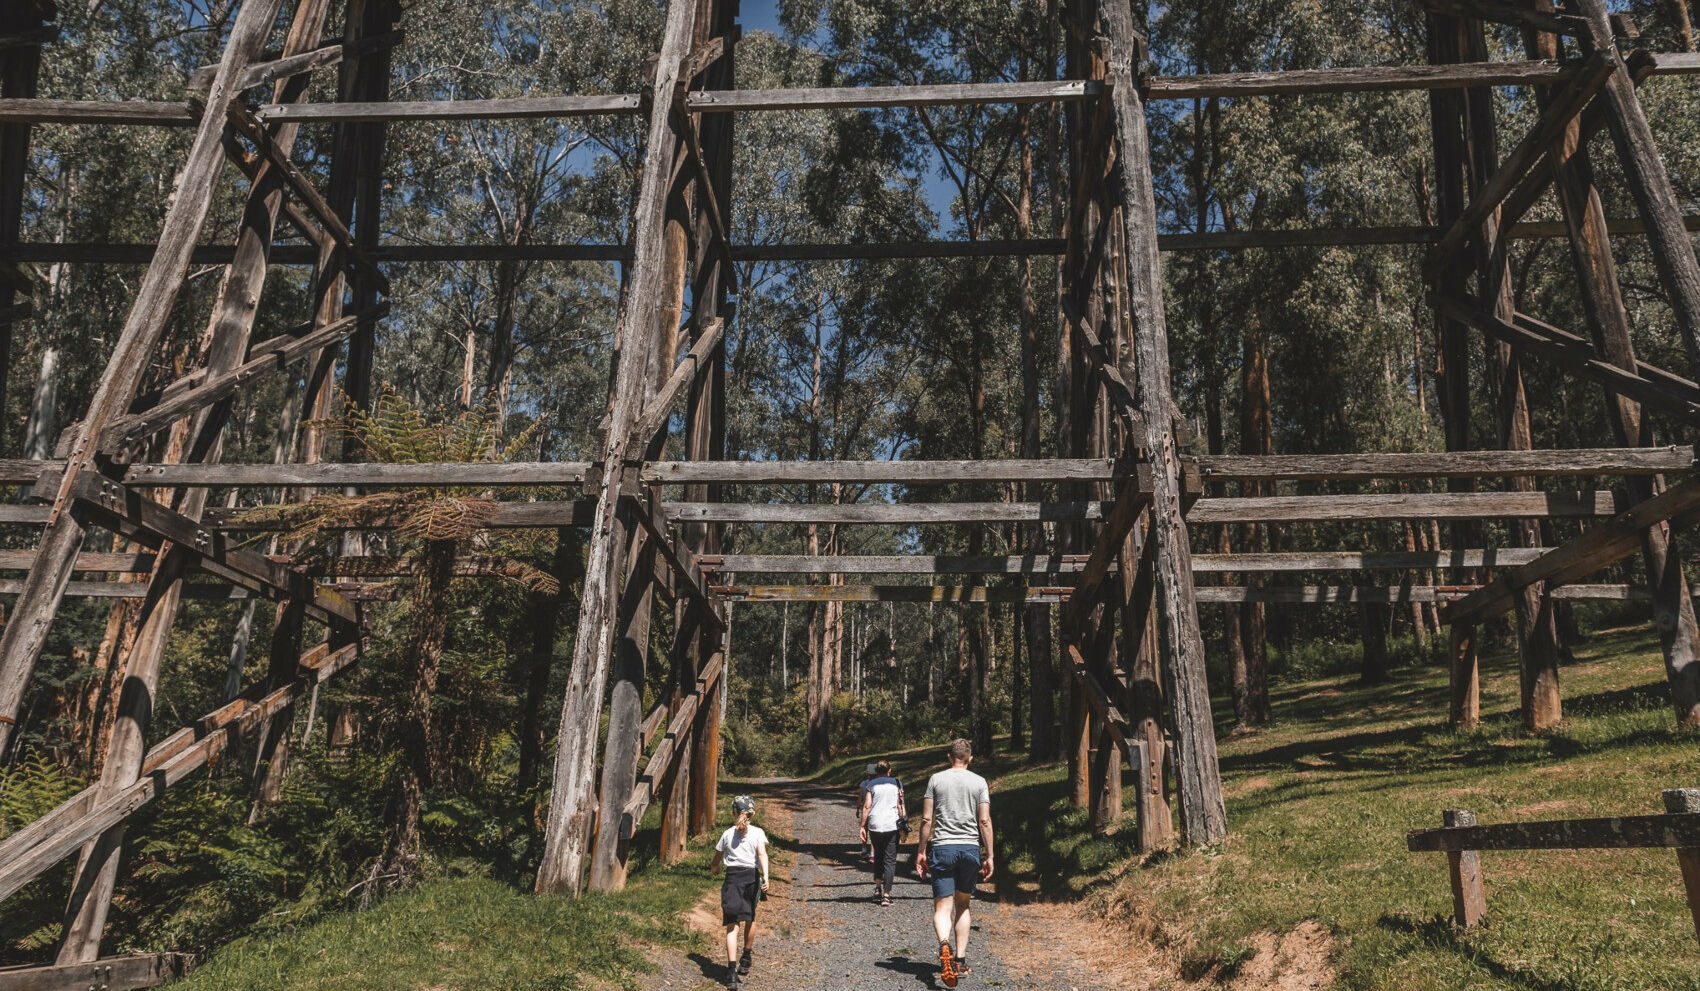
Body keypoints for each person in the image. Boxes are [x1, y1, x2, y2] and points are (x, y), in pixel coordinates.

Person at [915, 739, 993, 989]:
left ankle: (943, 944)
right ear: (970, 759)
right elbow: (984, 821)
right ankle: (959, 960)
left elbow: (926, 819)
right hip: (969, 849)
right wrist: (990, 855)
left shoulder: (936, 780)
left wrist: (921, 851)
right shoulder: (979, 782)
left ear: (949, 757)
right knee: (963, 904)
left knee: (942, 907)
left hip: (943, 848)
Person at [710, 794, 770, 988]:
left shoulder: (727, 834)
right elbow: (762, 854)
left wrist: (714, 868)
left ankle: (732, 972)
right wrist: (766, 877)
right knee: (750, 917)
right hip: (751, 878)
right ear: (752, 814)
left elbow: (716, 858)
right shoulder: (758, 833)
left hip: (732, 880)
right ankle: (746, 956)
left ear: (733, 813)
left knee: (732, 926)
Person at [859, 759, 907, 906]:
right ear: (889, 771)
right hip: (891, 825)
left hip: (875, 825)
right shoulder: (897, 783)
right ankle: (886, 895)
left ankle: (877, 888)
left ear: (876, 771)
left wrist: (862, 826)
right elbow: (900, 805)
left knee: (878, 857)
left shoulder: (871, 784)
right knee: (890, 860)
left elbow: (867, 806)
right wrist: (904, 822)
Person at [855, 763, 878, 861]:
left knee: (864, 830)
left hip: (865, 811)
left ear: (867, 773)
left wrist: (857, 808)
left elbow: (860, 798)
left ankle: (864, 850)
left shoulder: (863, 784)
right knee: (873, 833)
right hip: (875, 811)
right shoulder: (878, 784)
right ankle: (872, 854)